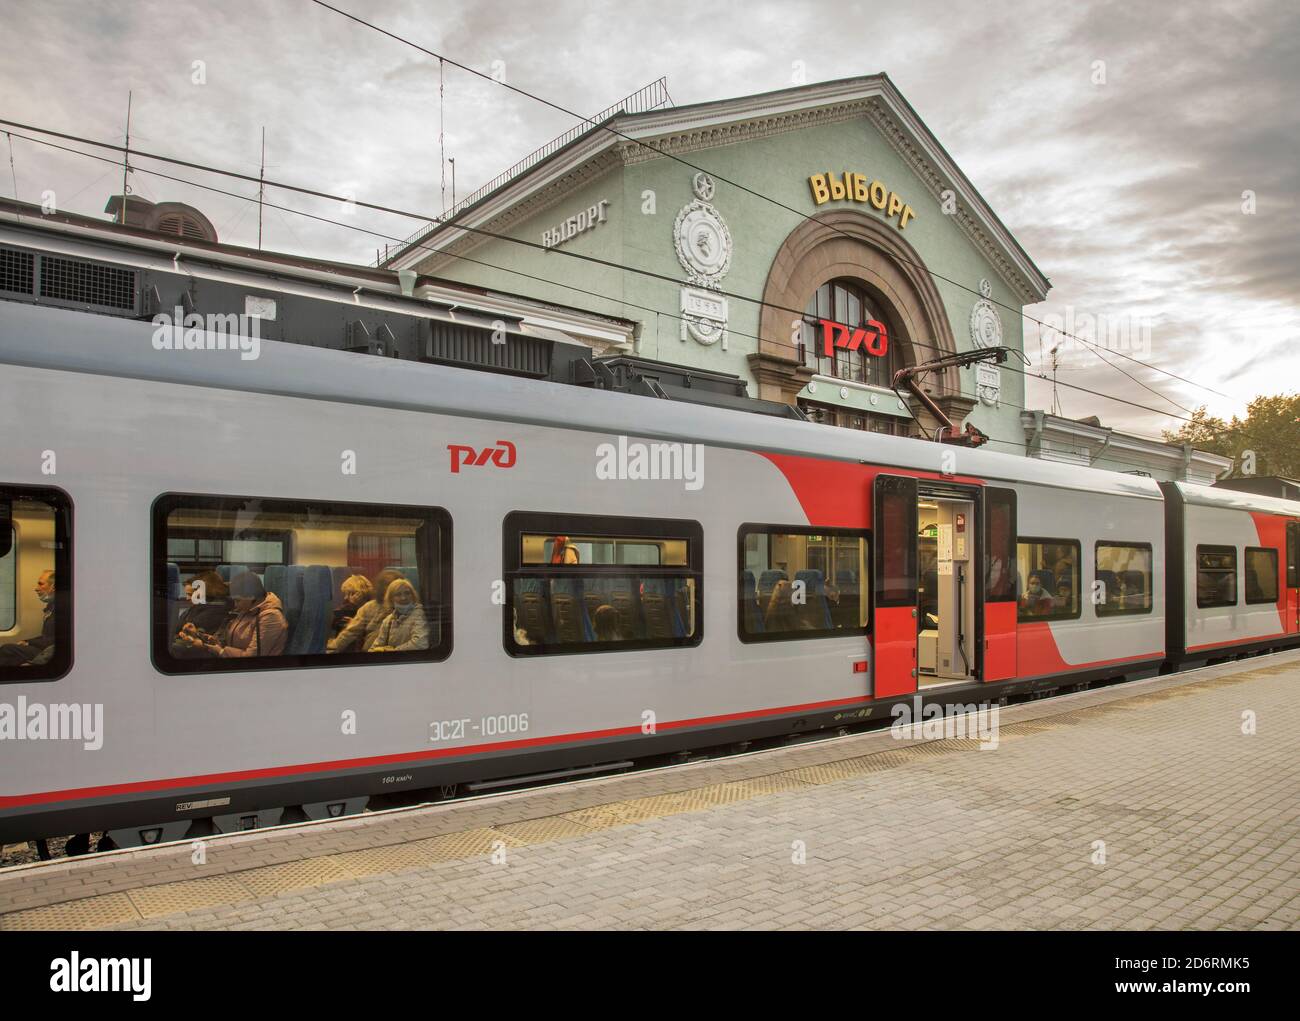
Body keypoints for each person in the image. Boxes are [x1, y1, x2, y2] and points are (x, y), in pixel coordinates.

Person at [181, 570, 287, 658]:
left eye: (238, 601)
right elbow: (229, 641)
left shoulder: (270, 617)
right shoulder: (248, 610)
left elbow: (252, 657)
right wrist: (201, 636)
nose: (235, 605)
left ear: (251, 596)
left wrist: (220, 652)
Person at [328, 568, 401, 652]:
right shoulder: (368, 607)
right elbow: (349, 633)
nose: (346, 597)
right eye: (346, 594)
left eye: (352, 593)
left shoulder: (406, 609)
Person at [0, 569, 56, 666]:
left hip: (50, 652)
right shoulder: (51, 607)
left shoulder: (62, 610)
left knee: (7, 649)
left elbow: (53, 640)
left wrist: (30, 643)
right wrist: (27, 641)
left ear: (54, 587)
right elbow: (47, 637)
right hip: (45, 648)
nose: (36, 588)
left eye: (41, 584)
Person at [171, 570, 231, 658]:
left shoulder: (215, 609)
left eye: (191, 594)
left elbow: (181, 627)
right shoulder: (198, 607)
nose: (187, 598)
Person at [368, 578, 429, 652]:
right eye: (398, 594)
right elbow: (375, 646)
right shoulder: (388, 621)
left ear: (413, 595)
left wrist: (393, 650)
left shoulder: (419, 614)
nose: (403, 598)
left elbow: (421, 643)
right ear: (391, 599)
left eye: (407, 593)